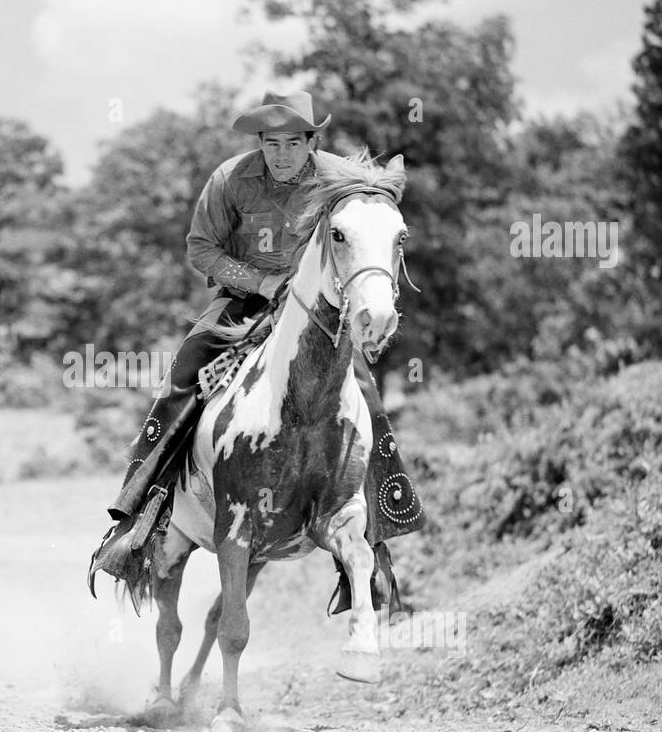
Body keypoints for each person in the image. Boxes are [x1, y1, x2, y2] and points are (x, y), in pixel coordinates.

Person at [89, 90, 425, 609]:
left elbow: (372, 218)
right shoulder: (230, 179)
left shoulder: (337, 178)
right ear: (260, 142)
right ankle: (139, 513)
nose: (282, 153)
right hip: (243, 303)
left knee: (365, 395)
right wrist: (263, 282)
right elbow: (201, 247)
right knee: (184, 373)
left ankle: (374, 541)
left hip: (316, 313)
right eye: (272, 143)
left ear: (312, 141)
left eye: (293, 142)